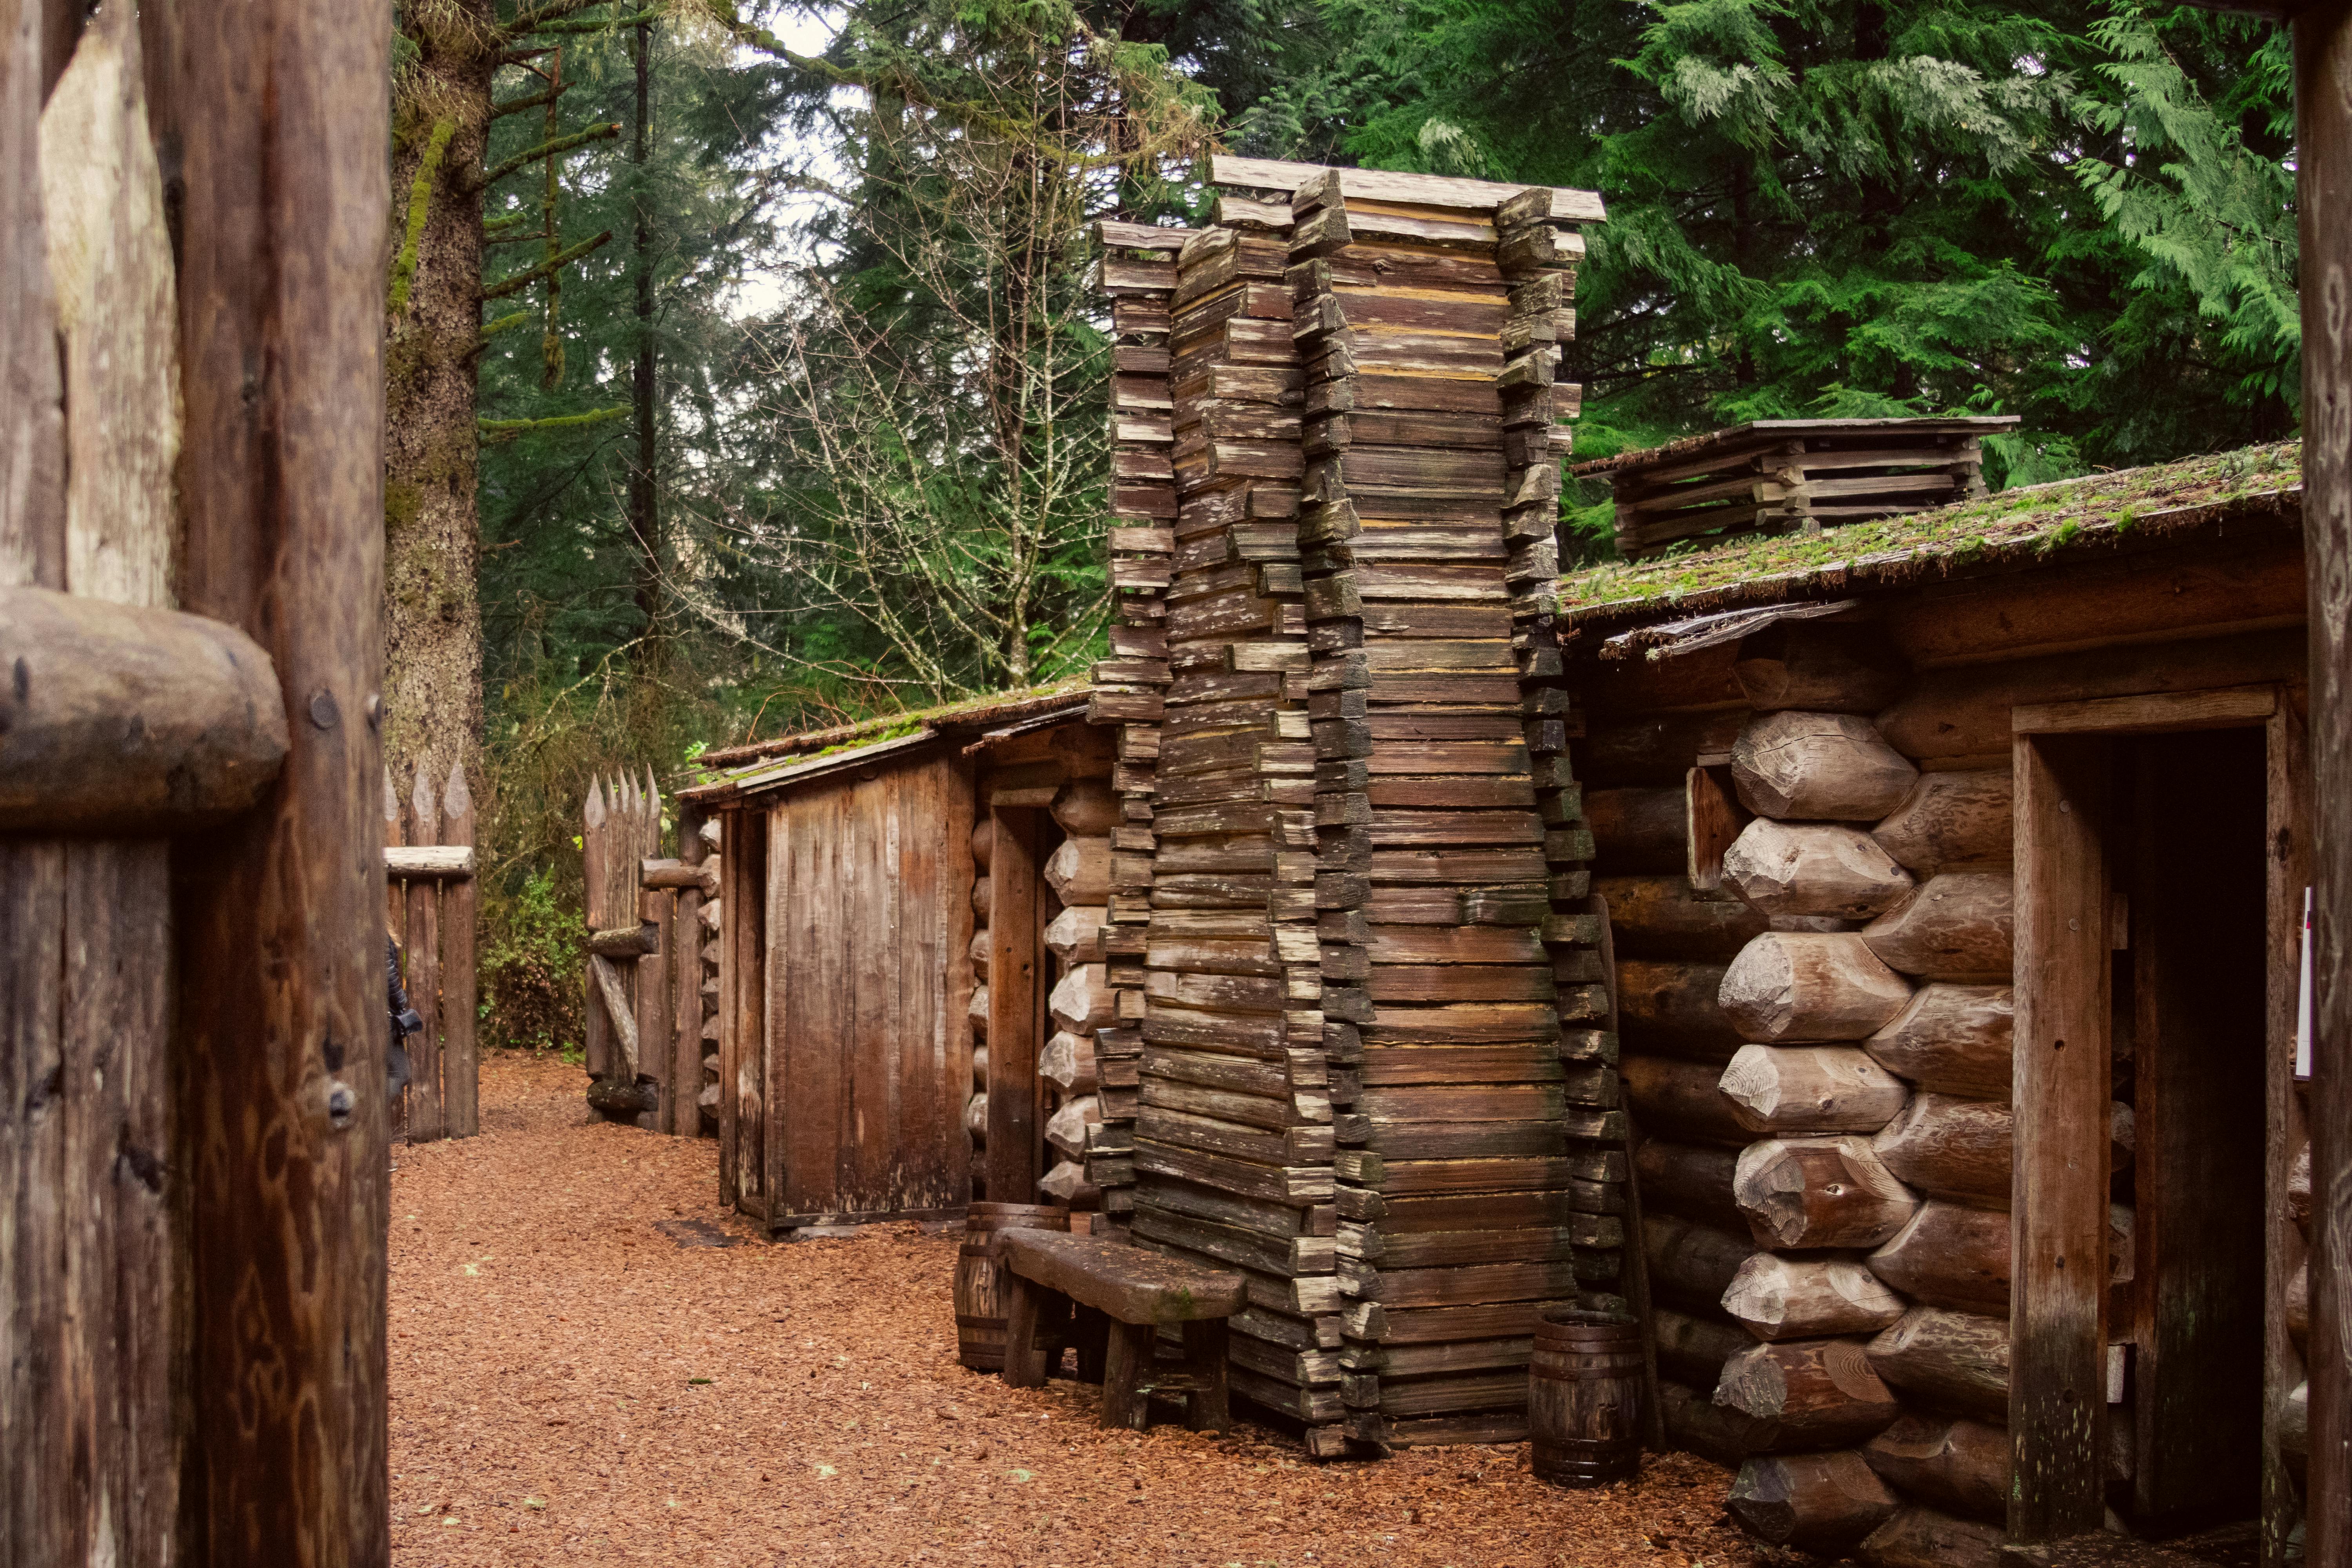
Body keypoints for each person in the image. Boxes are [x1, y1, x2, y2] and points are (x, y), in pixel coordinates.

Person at [387, 933, 420, 1103]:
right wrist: (401, 999)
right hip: (381, 1016)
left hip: (376, 1013)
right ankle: (367, 1117)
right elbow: (387, 973)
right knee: (401, 1073)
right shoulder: (377, 931)